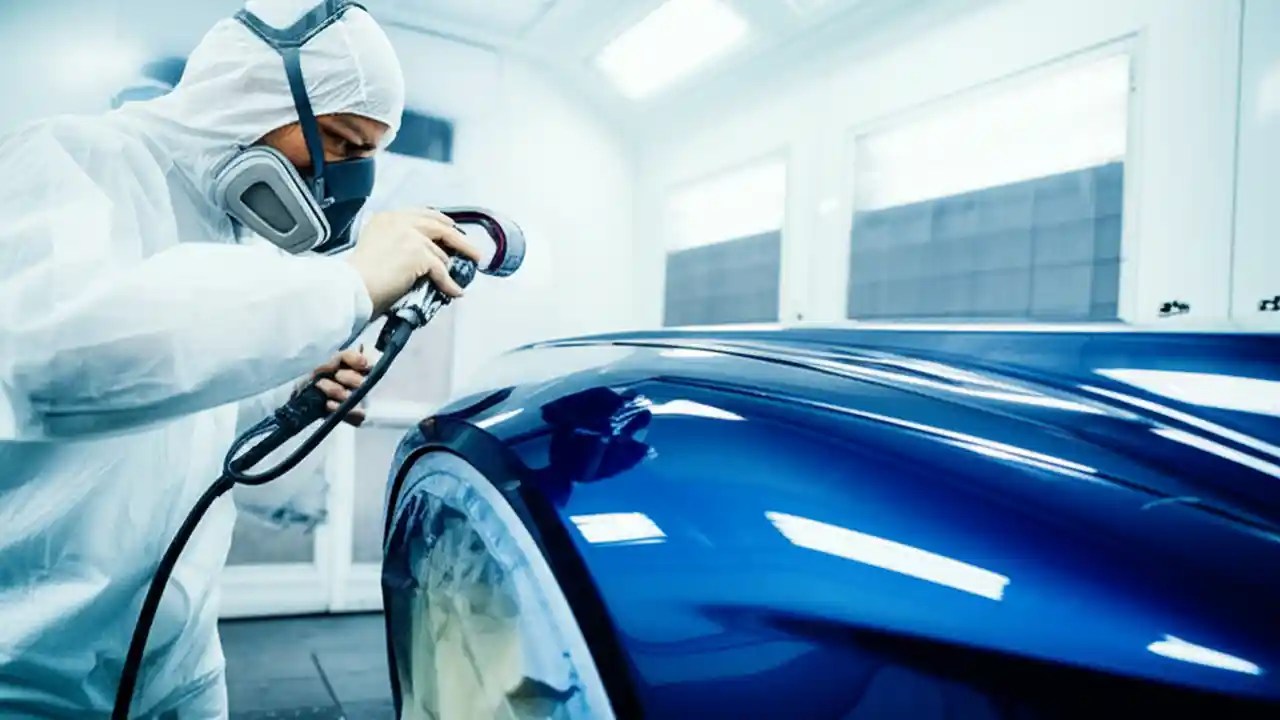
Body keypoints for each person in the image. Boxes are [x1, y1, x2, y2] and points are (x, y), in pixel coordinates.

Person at [0, 0, 478, 716]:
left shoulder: (237, 240)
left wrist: (283, 394)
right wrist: (345, 284)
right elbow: (49, 357)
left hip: (180, 655)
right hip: (35, 673)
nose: (346, 180)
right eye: (343, 144)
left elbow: (174, 417)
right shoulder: (72, 156)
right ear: (255, 94)